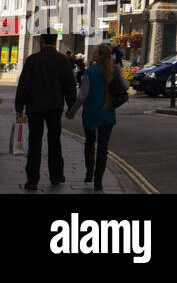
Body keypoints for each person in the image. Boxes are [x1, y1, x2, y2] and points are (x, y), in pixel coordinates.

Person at [14, 33, 76, 190]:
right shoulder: (63, 60)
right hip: (55, 107)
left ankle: (32, 180)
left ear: (41, 40)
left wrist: (19, 108)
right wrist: (71, 107)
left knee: (34, 142)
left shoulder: (32, 60)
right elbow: (69, 85)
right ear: (55, 40)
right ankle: (56, 176)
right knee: (55, 141)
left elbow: (23, 85)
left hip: (34, 108)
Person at [66, 43, 126, 190]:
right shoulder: (115, 71)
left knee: (89, 143)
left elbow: (82, 96)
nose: (93, 55)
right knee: (103, 148)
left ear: (101, 56)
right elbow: (125, 87)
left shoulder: (90, 72)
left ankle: (89, 173)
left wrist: (71, 112)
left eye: (95, 53)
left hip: (91, 113)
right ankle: (98, 181)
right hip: (108, 112)